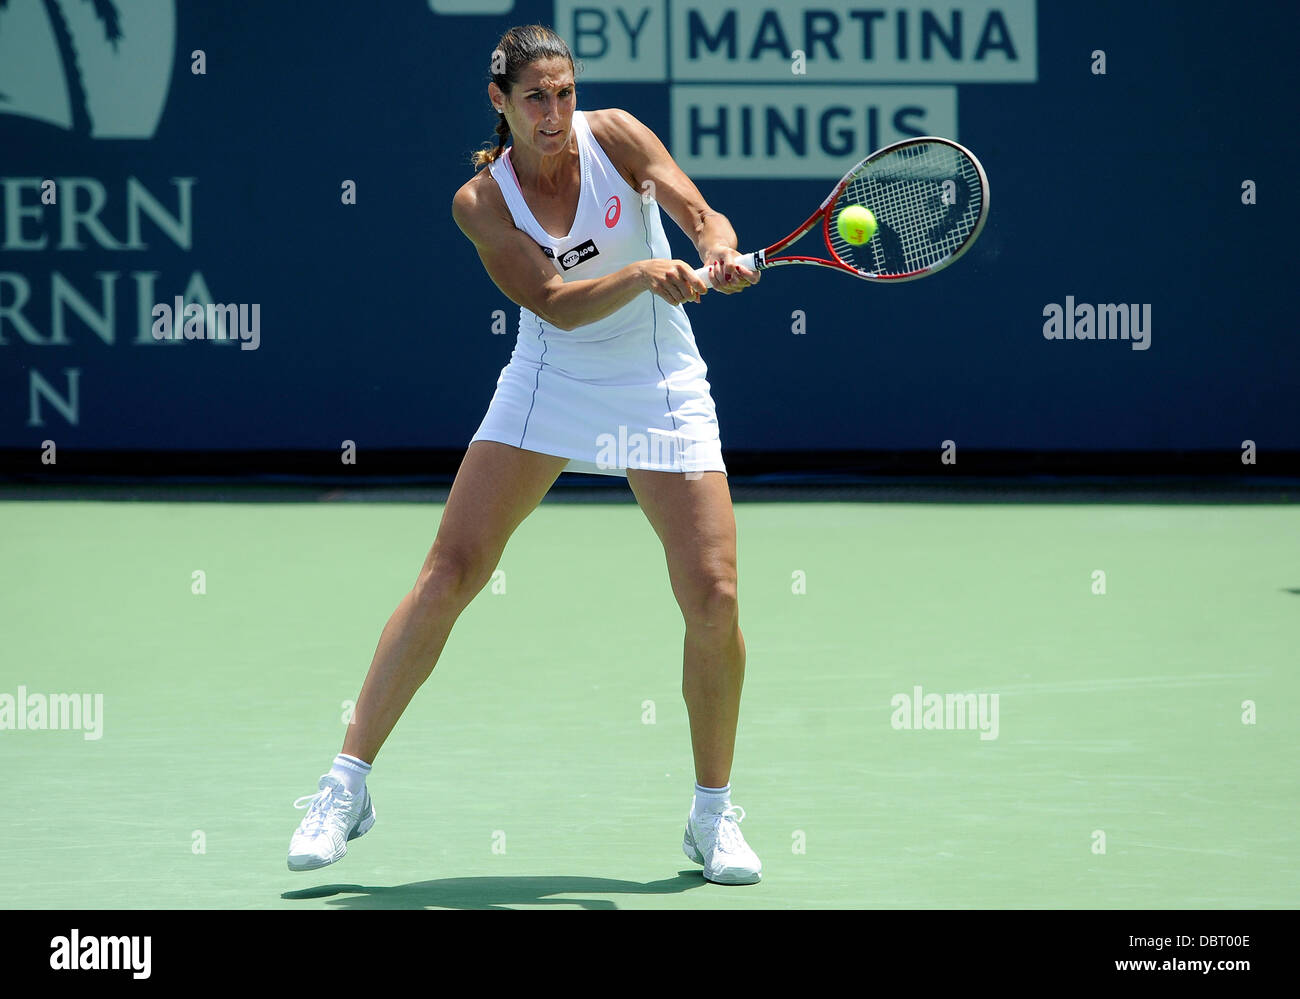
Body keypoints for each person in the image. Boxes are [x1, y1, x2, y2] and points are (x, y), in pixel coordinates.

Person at [287, 24, 763, 885]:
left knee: (715, 593)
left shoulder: (614, 134)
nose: (555, 113)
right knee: (451, 569)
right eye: (536, 97)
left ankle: (712, 815)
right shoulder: (483, 202)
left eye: (565, 93)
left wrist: (715, 244)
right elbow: (553, 301)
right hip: (553, 373)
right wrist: (646, 272)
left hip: (658, 377)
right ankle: (344, 785)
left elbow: (697, 209)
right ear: (500, 103)